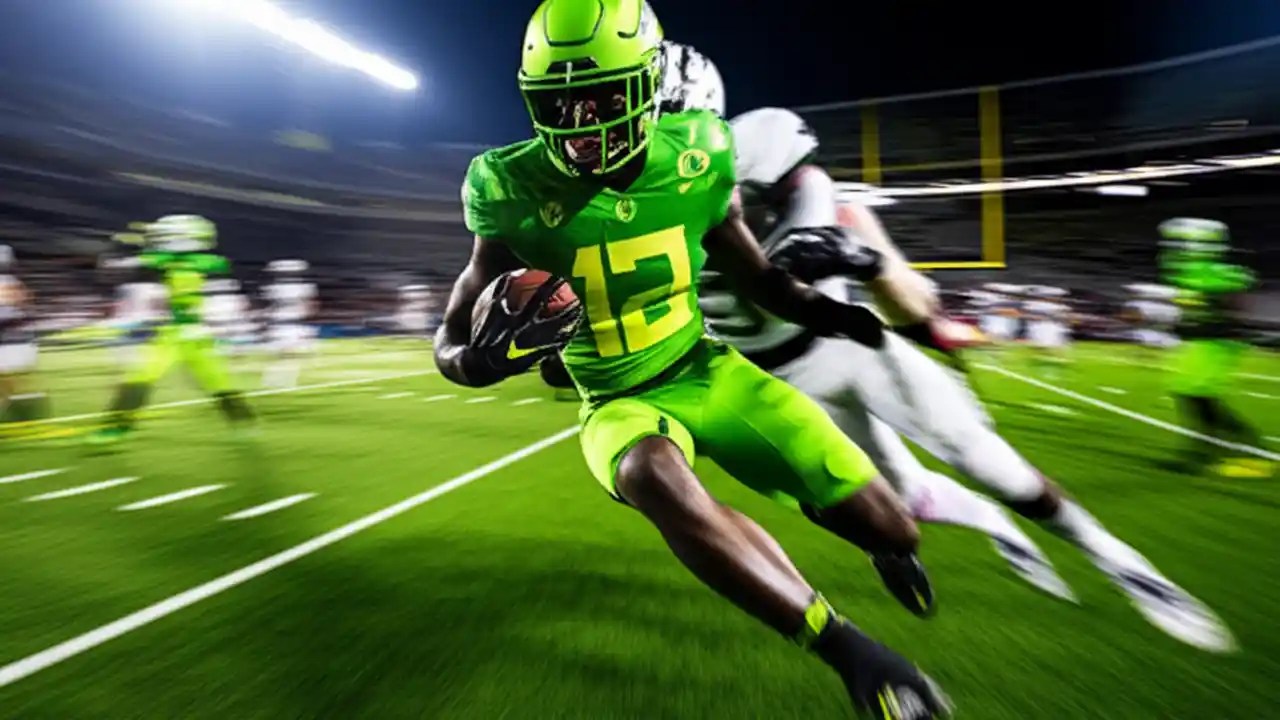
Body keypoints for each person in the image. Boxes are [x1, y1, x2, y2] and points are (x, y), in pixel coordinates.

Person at [434, 2, 951, 717]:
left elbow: (758, 277)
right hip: (616, 403)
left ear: (648, 86)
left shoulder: (698, 151)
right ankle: (848, 649)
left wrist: (827, 311)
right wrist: (482, 363)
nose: (582, 124)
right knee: (652, 473)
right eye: (562, 102)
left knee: (895, 525)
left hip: (705, 370)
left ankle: (884, 543)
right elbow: (450, 339)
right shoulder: (507, 186)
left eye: (602, 97)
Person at [658, 41, 1236, 652]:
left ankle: (1121, 561)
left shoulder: (766, 148)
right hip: (777, 382)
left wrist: (843, 249)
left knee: (995, 467)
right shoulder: (625, 216)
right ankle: (986, 527)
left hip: (852, 346)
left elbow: (821, 209)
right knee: (891, 504)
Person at [87, 215, 255, 445]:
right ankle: (116, 427)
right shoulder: (174, 260)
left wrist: (218, 328)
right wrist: (121, 246)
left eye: (163, 235)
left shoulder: (210, 264)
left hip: (197, 333)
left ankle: (243, 420)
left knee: (217, 381)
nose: (157, 240)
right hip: (171, 333)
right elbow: (116, 268)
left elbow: (223, 300)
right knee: (140, 376)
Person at [1159, 218, 1270, 478]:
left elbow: (1232, 313)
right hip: (1203, 343)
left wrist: (1201, 325)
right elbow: (1196, 310)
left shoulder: (1215, 273)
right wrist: (1185, 325)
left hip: (1217, 344)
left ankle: (1253, 451)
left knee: (1198, 396)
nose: (1173, 250)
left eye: (1179, 243)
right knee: (1187, 393)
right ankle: (1200, 453)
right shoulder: (1193, 274)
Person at [0, 244, 51, 433]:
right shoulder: (16, 283)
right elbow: (27, 311)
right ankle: (28, 413)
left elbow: (14, 315)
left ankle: (28, 413)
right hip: (21, 342)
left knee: (11, 383)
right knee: (15, 383)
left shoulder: (8, 283)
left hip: (11, 343)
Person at [260, 259, 318, 389]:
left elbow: (266, 306)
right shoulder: (305, 287)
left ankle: (276, 380)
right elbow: (311, 307)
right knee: (290, 355)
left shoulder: (271, 288)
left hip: (280, 324)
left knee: (286, 355)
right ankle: (280, 381)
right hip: (290, 324)